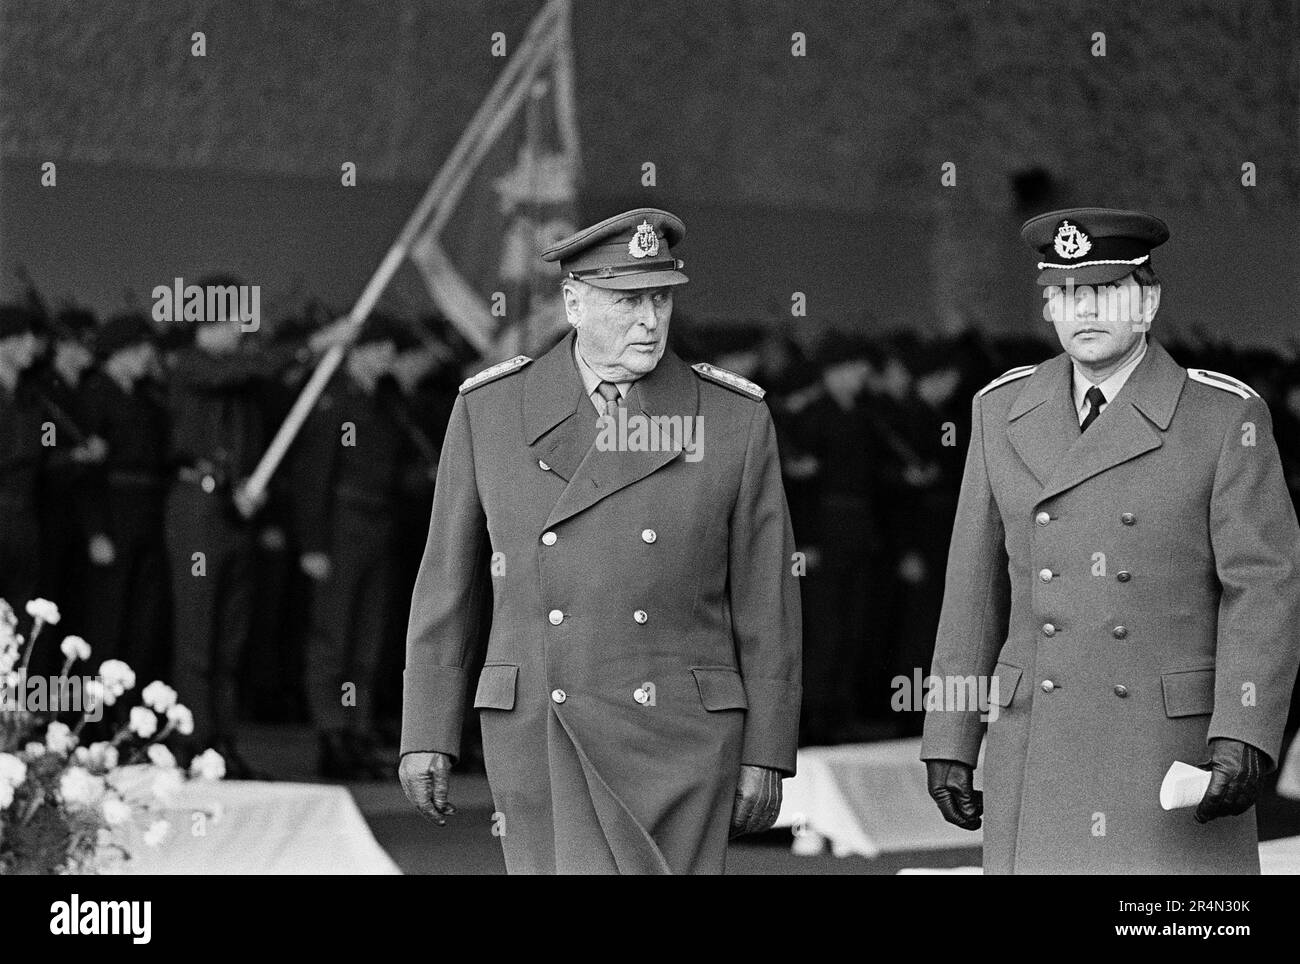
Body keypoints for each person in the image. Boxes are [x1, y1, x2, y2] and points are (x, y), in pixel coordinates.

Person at [398, 209, 803, 874]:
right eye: (627, 301)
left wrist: (768, 747)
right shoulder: (491, 410)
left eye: (661, 299)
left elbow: (768, 600)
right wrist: (426, 730)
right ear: (574, 302)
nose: (650, 322)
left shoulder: (732, 420)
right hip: (540, 727)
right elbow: (447, 583)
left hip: (679, 736)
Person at [921, 207, 1300, 873]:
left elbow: (1263, 588)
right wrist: (951, 732)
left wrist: (1244, 730)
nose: (1083, 310)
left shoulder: (1221, 416)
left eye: (1105, 291)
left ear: (1147, 302)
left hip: (1164, 751)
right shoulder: (999, 409)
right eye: (1065, 295)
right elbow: (973, 590)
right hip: (1036, 739)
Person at [293, 314, 414, 778]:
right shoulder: (334, 398)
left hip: (376, 524)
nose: (387, 357)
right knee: (333, 636)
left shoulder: (383, 401)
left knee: (366, 639)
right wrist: (313, 542)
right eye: (379, 347)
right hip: (341, 524)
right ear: (357, 352)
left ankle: (355, 729)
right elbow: (313, 474)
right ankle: (332, 733)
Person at [80, 313, 171, 682]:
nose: (148, 357)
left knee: (143, 620)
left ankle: (129, 708)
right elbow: (86, 472)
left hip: (147, 512)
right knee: (108, 617)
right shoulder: (95, 395)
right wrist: (95, 531)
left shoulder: (147, 398)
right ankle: (95, 716)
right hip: (113, 512)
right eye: (140, 349)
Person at [0, 305, 45, 606]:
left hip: (25, 514)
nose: (33, 344)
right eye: (23, 335)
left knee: (18, 614)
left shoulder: (34, 398)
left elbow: (45, 445)